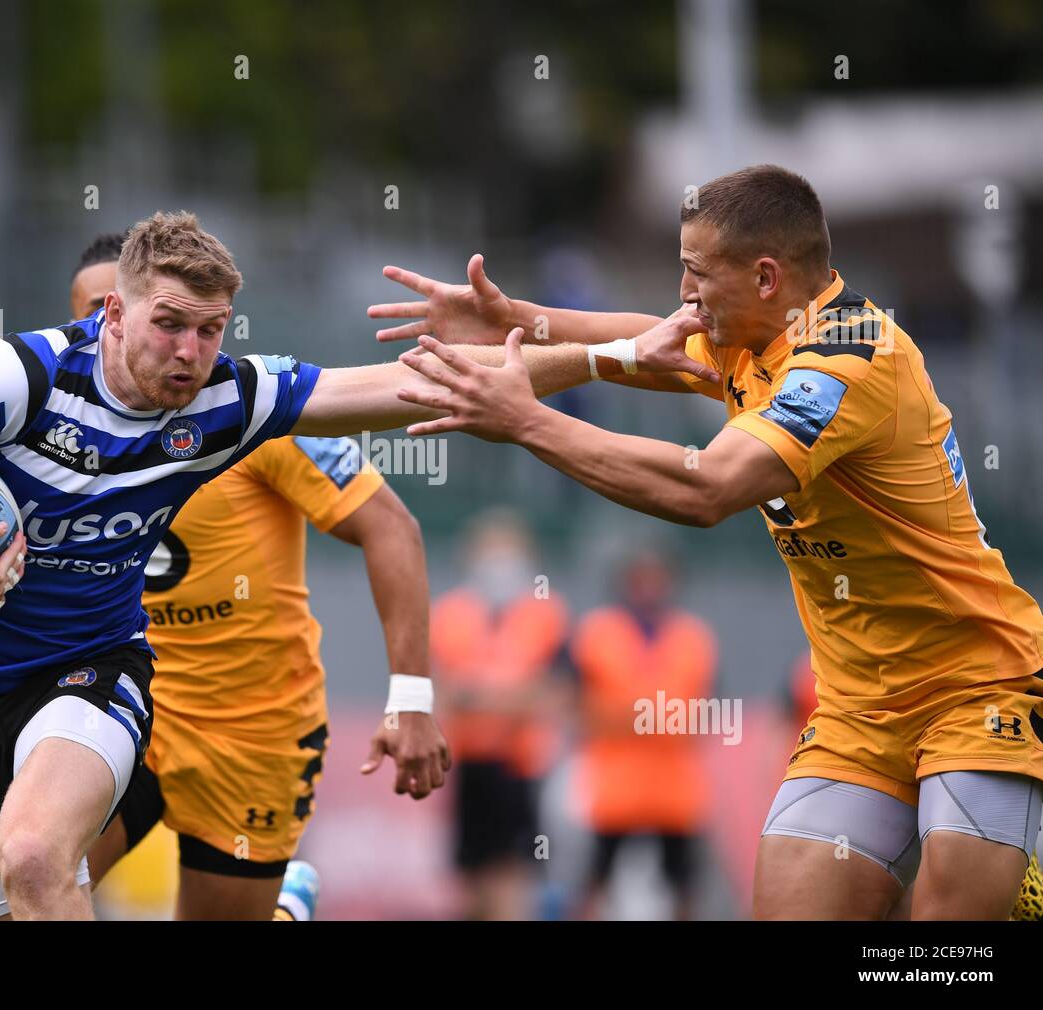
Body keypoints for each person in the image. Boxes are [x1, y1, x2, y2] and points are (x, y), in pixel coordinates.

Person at [0, 210, 625, 920]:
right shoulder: (18, 379)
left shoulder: (232, 401)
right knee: (23, 901)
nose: (192, 352)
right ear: (111, 314)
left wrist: (610, 357)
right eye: (171, 324)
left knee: (38, 855)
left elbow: (412, 387)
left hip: (96, 673)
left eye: (210, 330)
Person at [371, 164, 1043, 920]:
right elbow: (643, 336)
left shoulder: (852, 355)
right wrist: (515, 320)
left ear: (764, 276)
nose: (684, 295)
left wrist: (527, 420)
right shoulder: (750, 336)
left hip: (976, 688)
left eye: (695, 274)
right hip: (858, 712)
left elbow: (707, 488)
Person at [71, 235, 446, 921]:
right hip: (120, 705)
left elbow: (392, 528)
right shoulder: (50, 424)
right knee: (29, 885)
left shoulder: (255, 413)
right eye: (95, 313)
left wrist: (412, 699)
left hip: (250, 733)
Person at [429, 510, 567, 920]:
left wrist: (485, 697)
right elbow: (444, 692)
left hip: (520, 767)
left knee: (512, 876)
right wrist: (508, 697)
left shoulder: (545, 614)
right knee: (470, 884)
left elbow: (554, 695)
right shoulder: (451, 613)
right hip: (470, 764)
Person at [569, 551, 715, 921]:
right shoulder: (597, 632)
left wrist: (631, 716)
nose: (650, 588)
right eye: (642, 578)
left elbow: (706, 714)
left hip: (674, 788)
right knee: (595, 878)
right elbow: (574, 708)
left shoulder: (693, 637)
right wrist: (654, 719)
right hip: (615, 784)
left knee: (684, 885)